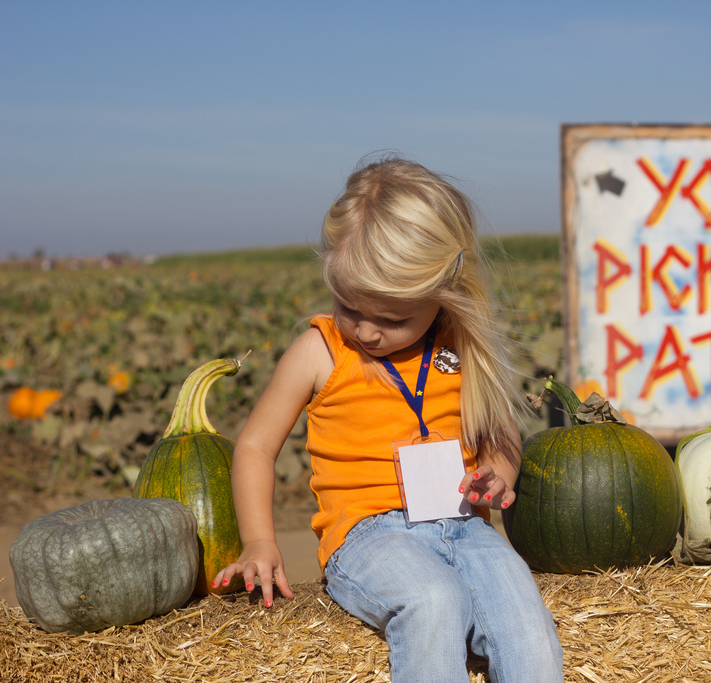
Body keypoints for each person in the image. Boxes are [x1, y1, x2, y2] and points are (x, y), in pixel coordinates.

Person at [212, 155, 564, 683]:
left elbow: (499, 434)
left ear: (443, 295)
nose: (368, 332)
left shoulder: (460, 348)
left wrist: (500, 474)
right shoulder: (320, 352)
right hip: (368, 536)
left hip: (467, 526)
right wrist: (260, 540)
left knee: (525, 622)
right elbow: (255, 447)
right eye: (350, 307)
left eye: (393, 318)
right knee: (433, 600)